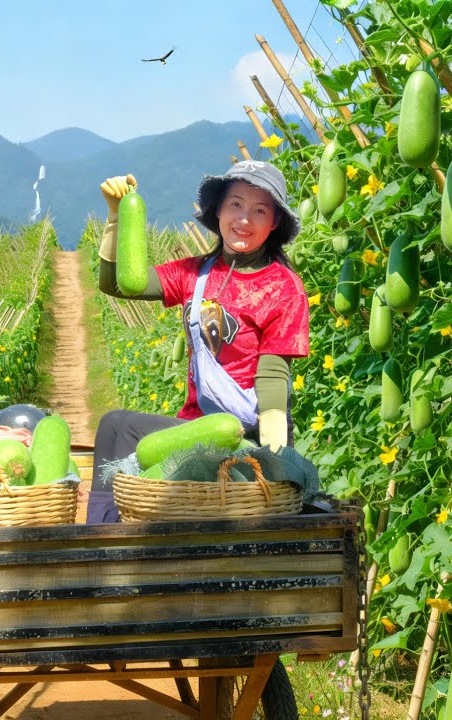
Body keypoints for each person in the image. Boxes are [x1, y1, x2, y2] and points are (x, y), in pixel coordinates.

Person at [87, 159, 310, 524]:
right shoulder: (196, 273)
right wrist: (117, 217)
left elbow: (273, 384)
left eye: (260, 211)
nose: (244, 219)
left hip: (243, 437)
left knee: (122, 427)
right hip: (193, 427)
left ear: (275, 223)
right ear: (219, 211)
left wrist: (273, 461)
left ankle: (107, 539)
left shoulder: (282, 287)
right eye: (235, 204)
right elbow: (121, 284)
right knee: (112, 425)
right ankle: (99, 534)